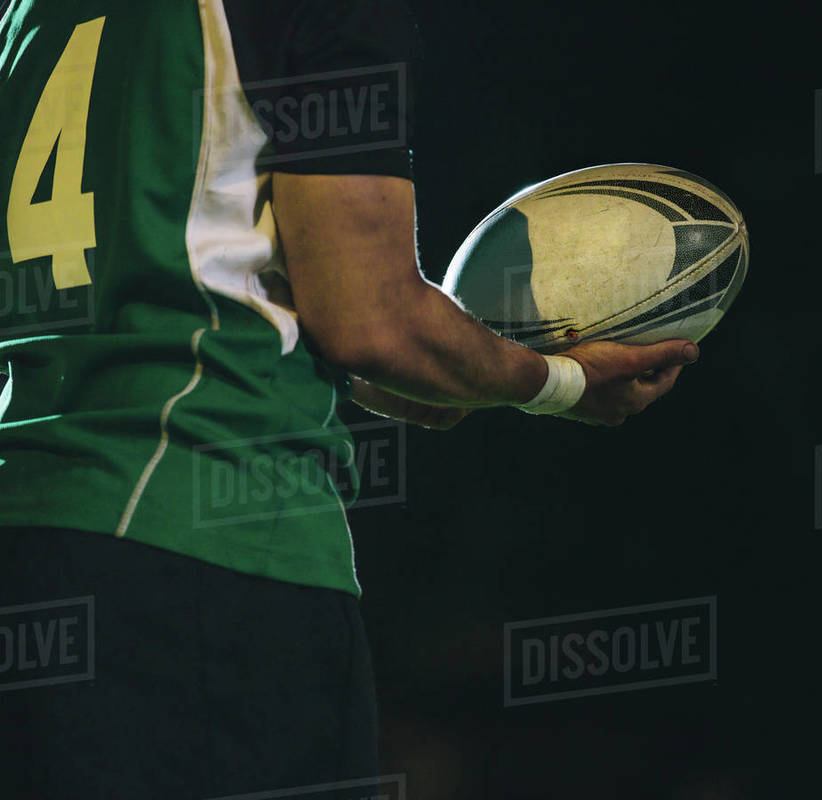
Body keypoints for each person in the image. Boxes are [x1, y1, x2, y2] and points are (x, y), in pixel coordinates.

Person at [0, 0, 697, 796]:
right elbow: (369, 320)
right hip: (204, 545)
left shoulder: (34, 14)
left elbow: (225, 273)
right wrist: (563, 382)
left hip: (32, 535)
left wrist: (448, 365)